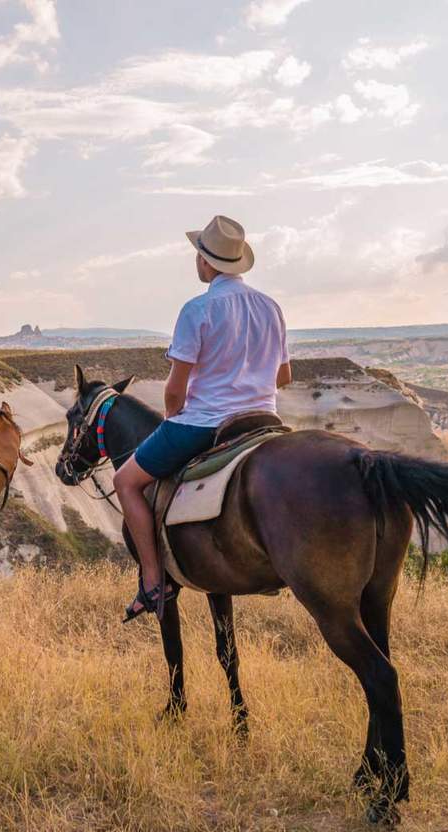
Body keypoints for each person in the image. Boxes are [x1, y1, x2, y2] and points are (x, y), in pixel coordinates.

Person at [112, 215, 292, 621]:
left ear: (207, 263)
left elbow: (175, 391)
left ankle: (154, 582)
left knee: (125, 481)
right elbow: (284, 376)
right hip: (264, 420)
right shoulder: (271, 307)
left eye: (198, 254)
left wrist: (172, 418)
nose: (197, 261)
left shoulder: (198, 309)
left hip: (206, 421)